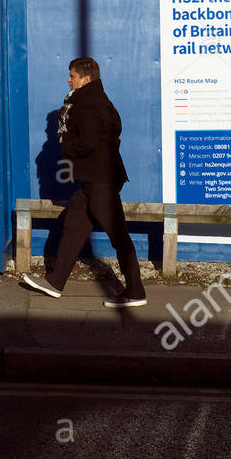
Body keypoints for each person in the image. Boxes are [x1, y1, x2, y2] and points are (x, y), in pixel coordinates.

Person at [22, 57, 147, 309]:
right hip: (93, 180)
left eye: (72, 76)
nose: (68, 80)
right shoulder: (96, 100)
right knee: (74, 226)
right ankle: (55, 282)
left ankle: (135, 291)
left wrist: (65, 147)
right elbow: (113, 129)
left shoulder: (88, 103)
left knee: (118, 236)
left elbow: (88, 142)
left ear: (85, 79)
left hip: (101, 180)